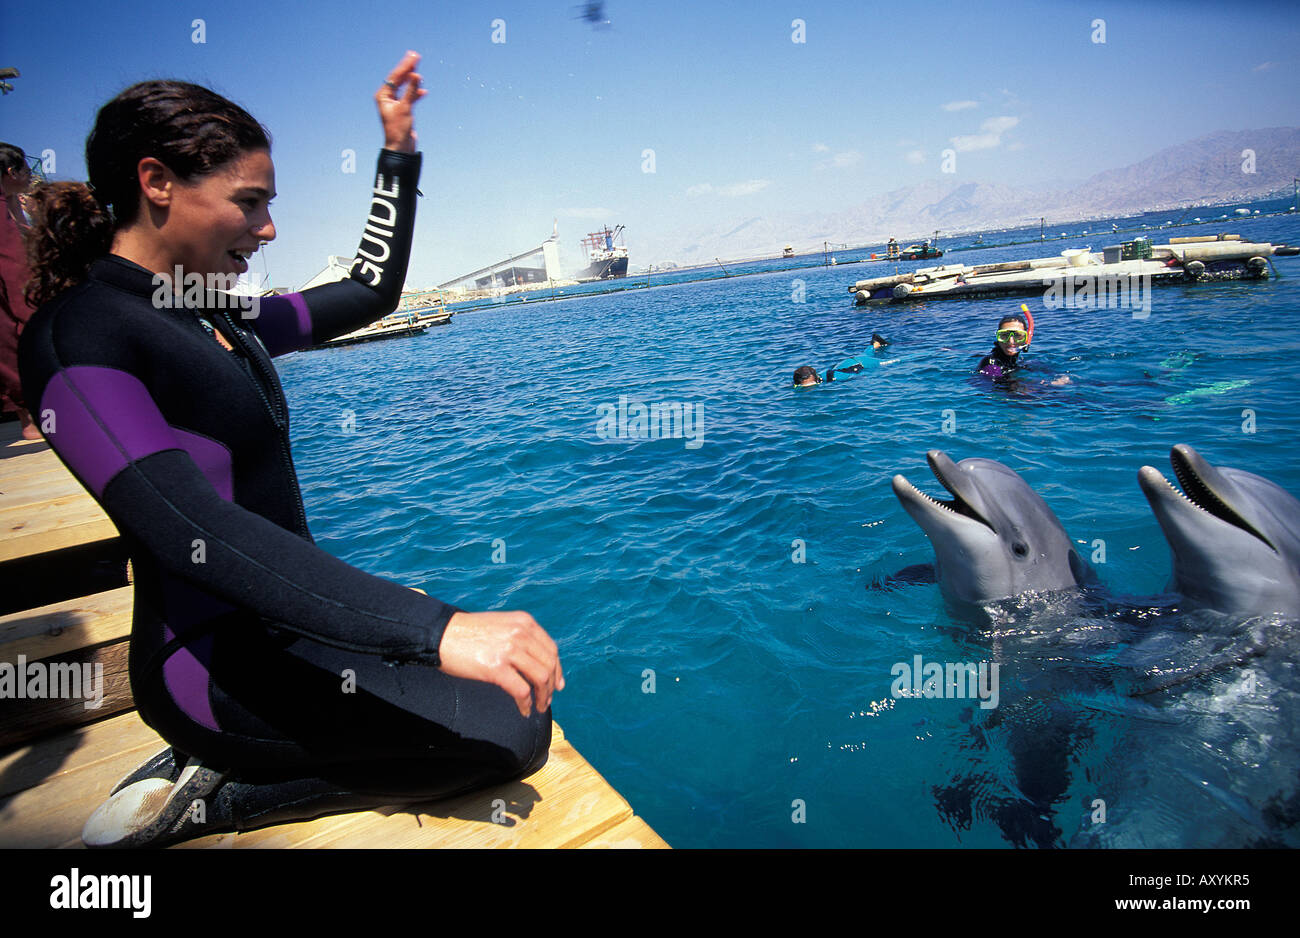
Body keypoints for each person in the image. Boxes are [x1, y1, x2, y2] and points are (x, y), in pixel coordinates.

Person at [18, 52, 563, 848]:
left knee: (518, 703)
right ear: (156, 182)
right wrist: (437, 628)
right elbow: (189, 526)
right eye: (249, 203)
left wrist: (397, 156)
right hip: (211, 670)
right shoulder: (79, 337)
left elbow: (368, 290)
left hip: (291, 634)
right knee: (511, 738)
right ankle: (216, 797)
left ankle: (242, 764)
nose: (268, 229)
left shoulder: (209, 311)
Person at [0, 142, 38, 439]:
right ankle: (30, 416)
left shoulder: (8, 203)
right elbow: (15, 269)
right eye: (26, 170)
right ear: (12, 172)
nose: (30, 175)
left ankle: (29, 416)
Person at [975, 305, 1070, 386]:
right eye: (1004, 335)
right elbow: (1001, 389)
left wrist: (1059, 376)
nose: (1011, 341)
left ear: (1026, 339)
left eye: (1018, 336)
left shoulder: (1018, 360)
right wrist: (1043, 386)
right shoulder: (990, 364)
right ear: (998, 338)